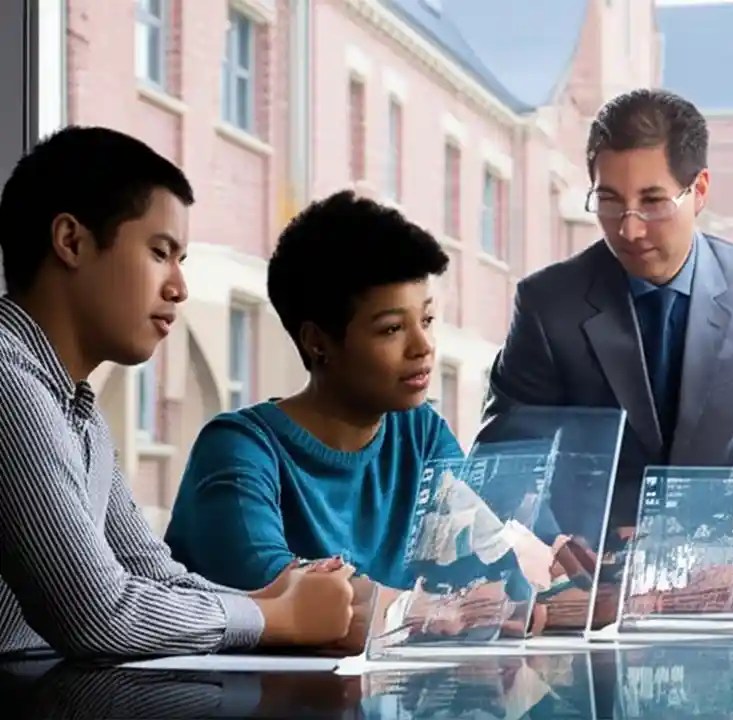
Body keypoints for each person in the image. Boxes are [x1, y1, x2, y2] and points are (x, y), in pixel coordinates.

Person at [482, 88, 733, 609]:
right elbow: (505, 455)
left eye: (653, 202)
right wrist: (552, 542)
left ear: (699, 189)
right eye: (609, 201)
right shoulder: (549, 304)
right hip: (593, 593)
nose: (629, 229)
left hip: (724, 584)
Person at [0, 126, 358, 658]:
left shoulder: (78, 413)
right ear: (71, 242)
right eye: (160, 252)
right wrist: (277, 616)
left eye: (181, 261)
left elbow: (153, 575)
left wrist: (273, 598)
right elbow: (101, 616)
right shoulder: (9, 381)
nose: (179, 288)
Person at [165, 191, 544, 636]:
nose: (422, 347)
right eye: (392, 329)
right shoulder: (239, 450)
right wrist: (443, 611)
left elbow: (496, 573)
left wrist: (528, 593)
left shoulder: (421, 434)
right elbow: (292, 599)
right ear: (317, 341)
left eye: (426, 320)